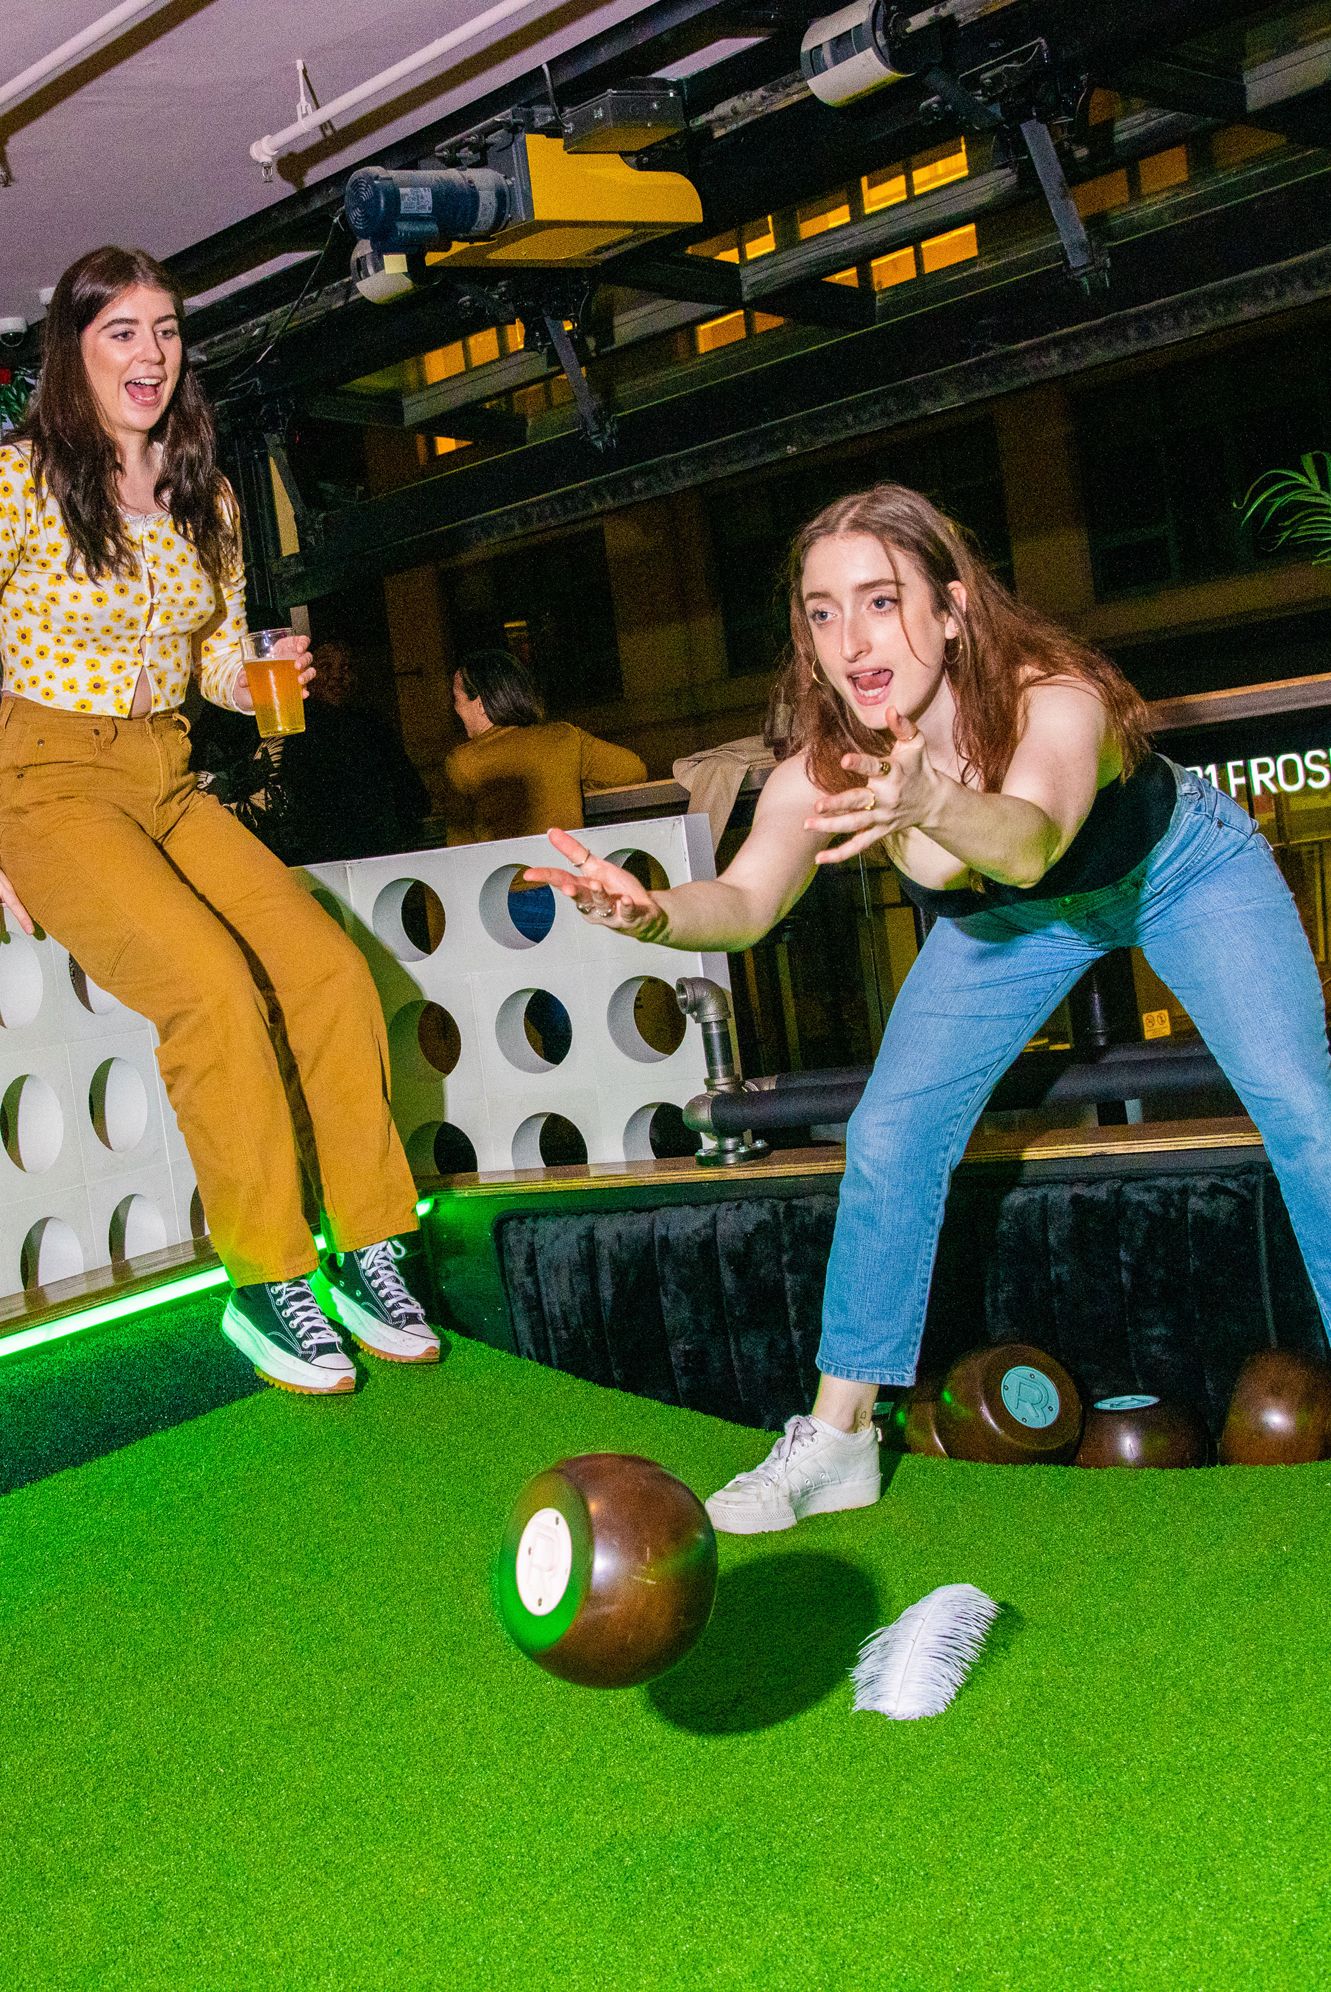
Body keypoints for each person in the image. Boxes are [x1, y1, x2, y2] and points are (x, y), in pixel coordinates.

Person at [526, 482, 1331, 1531]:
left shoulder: (1053, 698)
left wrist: (933, 801)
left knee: (1305, 1113)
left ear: (950, 610)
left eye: (879, 600)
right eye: (822, 612)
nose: (851, 639)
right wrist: (651, 914)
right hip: (1019, 925)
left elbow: (1031, 841)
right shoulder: (825, 767)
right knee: (890, 1130)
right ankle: (839, 1439)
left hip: (1182, 874)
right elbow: (745, 902)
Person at [0, 245, 438, 1393]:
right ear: (71, 353)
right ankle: (267, 1281)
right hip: (46, 778)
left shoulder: (209, 495)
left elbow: (208, 668)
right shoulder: (19, 482)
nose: (150, 353)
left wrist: (259, 673)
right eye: (121, 331)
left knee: (329, 973)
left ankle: (370, 1249)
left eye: (165, 329)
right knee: (211, 989)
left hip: (169, 771)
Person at [190, 634, 429, 863]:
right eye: (325, 667)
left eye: (346, 668)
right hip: (298, 854)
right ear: (306, 672)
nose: (337, 676)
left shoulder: (369, 724)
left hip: (367, 851)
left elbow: (410, 796)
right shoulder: (281, 720)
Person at [443, 648, 647, 850]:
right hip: (565, 869)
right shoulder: (564, 736)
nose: (455, 708)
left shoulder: (461, 761)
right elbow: (632, 771)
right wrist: (564, 784)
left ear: (480, 705)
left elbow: (460, 848)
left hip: (506, 872)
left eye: (456, 699)